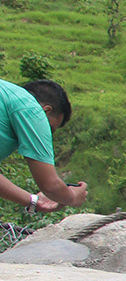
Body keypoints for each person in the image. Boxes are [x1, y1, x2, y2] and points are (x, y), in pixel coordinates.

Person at [0, 79, 86, 213]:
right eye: (49, 128)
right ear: (46, 111)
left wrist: (34, 201)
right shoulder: (32, 109)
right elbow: (50, 185)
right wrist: (73, 197)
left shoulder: (7, 96)